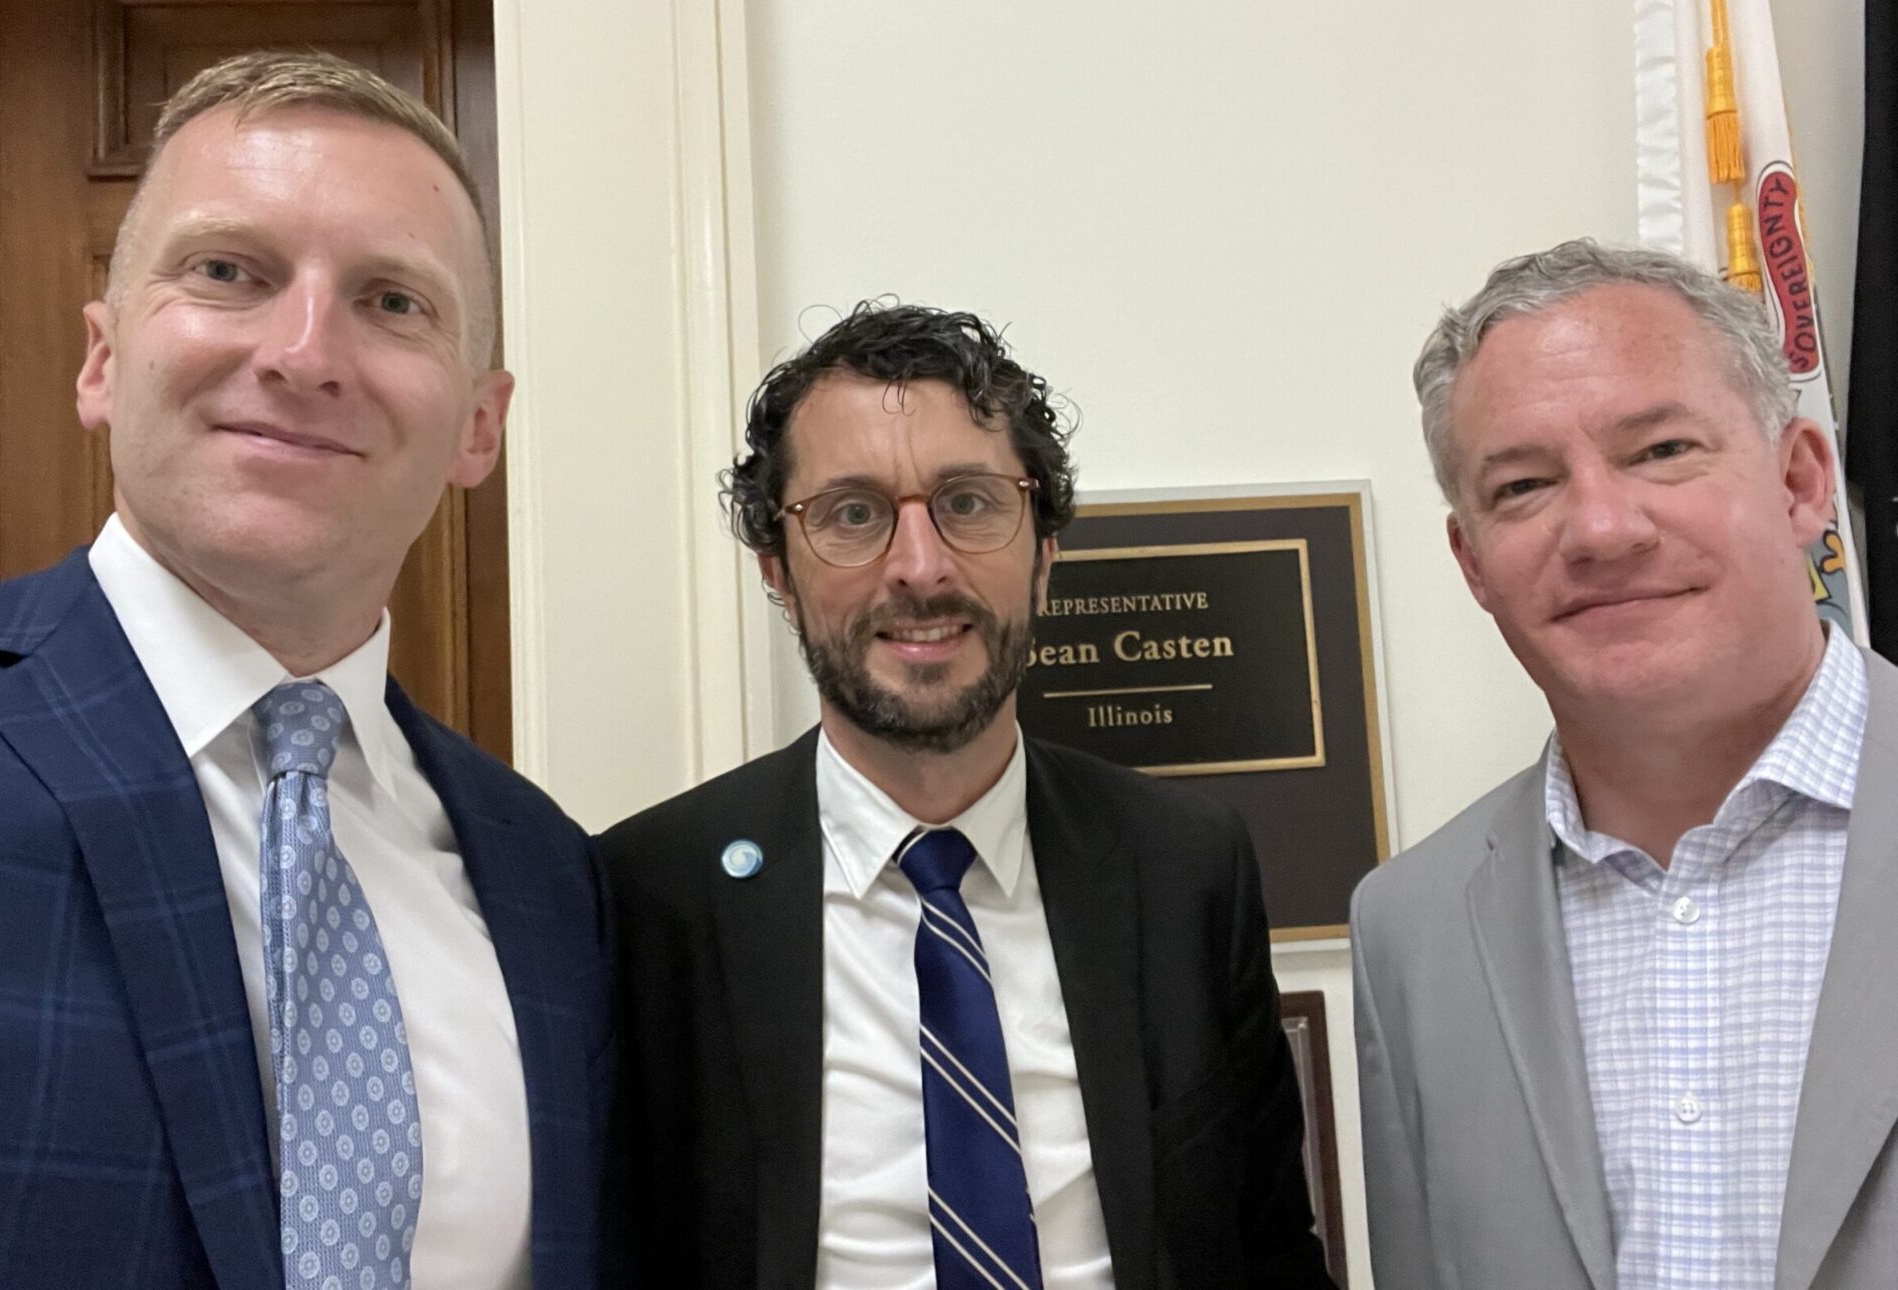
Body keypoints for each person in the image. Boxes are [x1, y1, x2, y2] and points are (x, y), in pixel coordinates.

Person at [0, 53, 610, 1289]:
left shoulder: (552, 879)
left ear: (479, 424)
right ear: (102, 359)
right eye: (227, 272)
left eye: (392, 301)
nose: (305, 353)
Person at [597, 302, 1332, 1288]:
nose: (919, 567)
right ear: (776, 567)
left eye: (970, 502)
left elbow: (1268, 1252)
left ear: (1043, 552)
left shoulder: (1183, 867)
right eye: (852, 513)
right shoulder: (650, 897)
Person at [1353, 238, 1898, 1289]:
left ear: (1796, 482)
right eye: (1520, 486)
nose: (1599, 528)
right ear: (1472, 564)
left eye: (1659, 452)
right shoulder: (1409, 930)